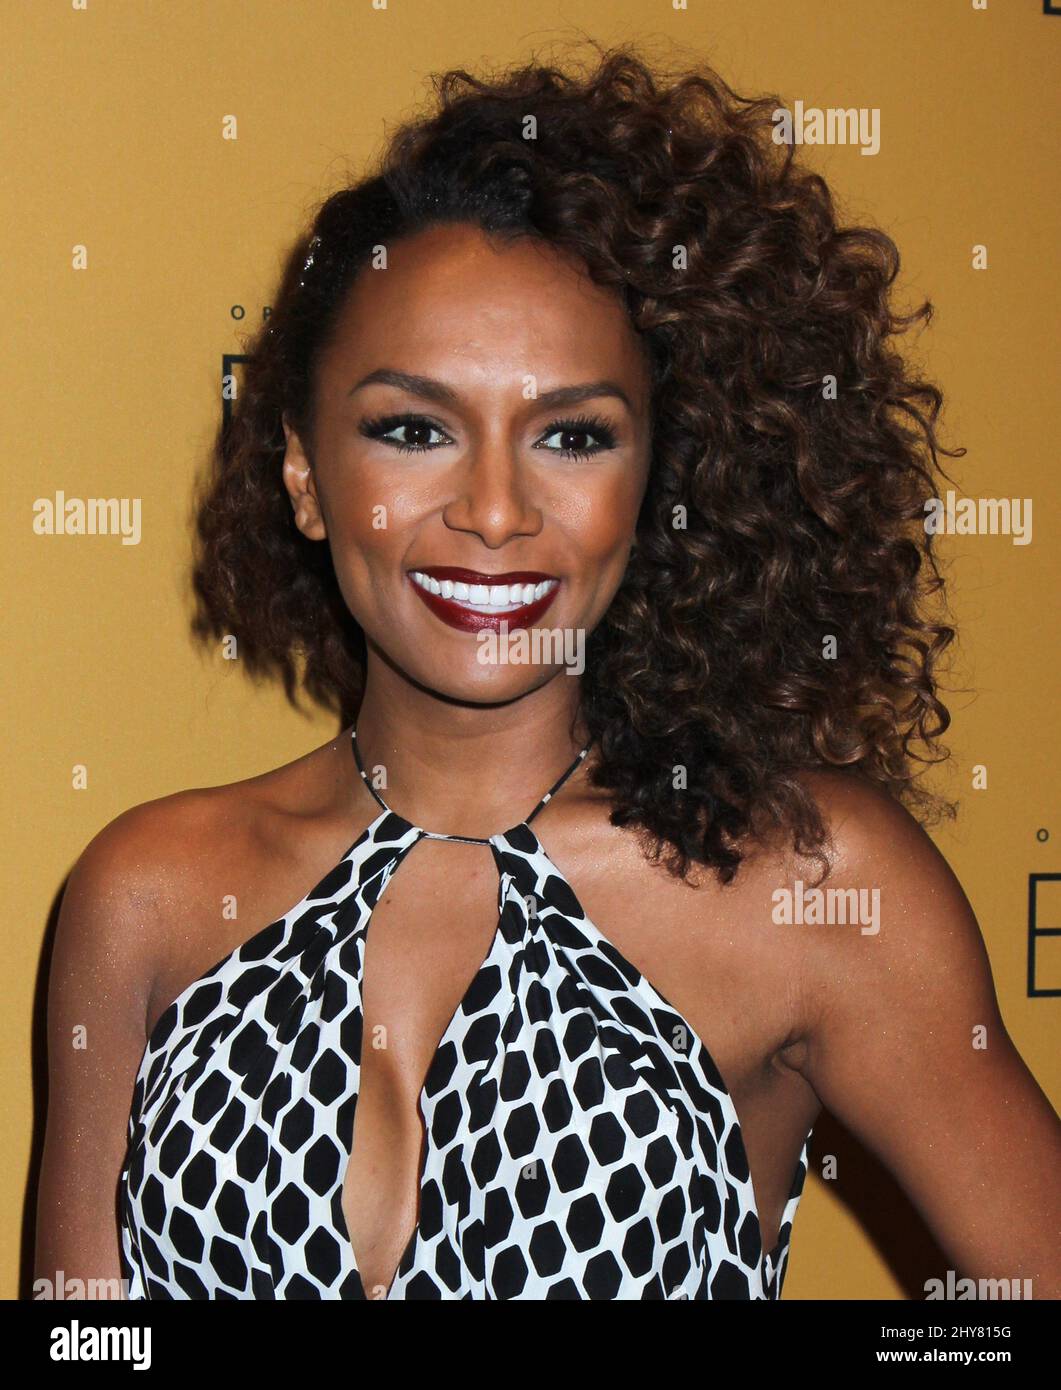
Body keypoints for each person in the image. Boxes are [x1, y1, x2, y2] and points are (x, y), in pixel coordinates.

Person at [34, 42, 1061, 1300]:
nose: (494, 509)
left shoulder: (803, 884)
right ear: (305, 472)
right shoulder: (141, 897)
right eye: (412, 428)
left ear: (657, 482)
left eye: (571, 435)